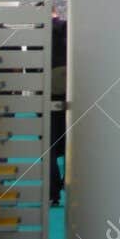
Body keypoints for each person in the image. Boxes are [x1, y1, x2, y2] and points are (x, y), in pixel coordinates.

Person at [49, 11, 68, 207]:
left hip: (49, 97)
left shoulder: (39, 33)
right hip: (70, 95)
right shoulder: (67, 28)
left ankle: (53, 192)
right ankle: (69, 180)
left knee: (50, 147)